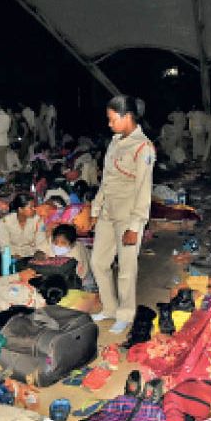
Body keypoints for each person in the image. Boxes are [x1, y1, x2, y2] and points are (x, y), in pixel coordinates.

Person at [90, 95, 155, 334]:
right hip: (108, 210)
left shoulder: (143, 147)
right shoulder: (116, 141)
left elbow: (144, 189)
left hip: (128, 214)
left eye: (112, 119)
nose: (109, 124)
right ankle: (109, 307)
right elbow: (106, 180)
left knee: (126, 268)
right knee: (98, 262)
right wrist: (96, 208)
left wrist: (135, 226)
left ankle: (125, 314)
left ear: (127, 116)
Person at [0, 193, 47, 260]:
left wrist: (39, 252)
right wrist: (12, 255)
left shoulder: (38, 221)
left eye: (34, 207)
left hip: (31, 255)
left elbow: (41, 241)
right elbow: (4, 244)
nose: (34, 209)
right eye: (31, 207)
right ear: (20, 209)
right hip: (12, 256)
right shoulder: (6, 222)